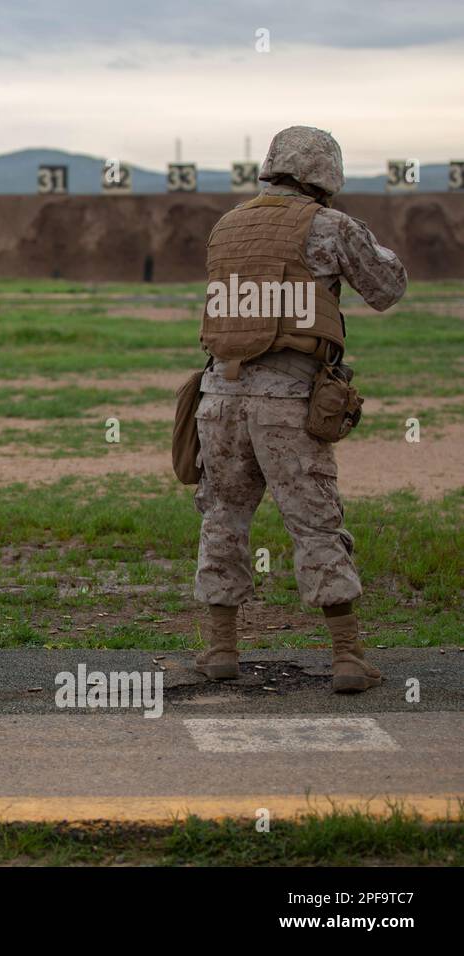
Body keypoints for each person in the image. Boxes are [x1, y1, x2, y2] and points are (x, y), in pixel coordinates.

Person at [192, 125, 407, 694]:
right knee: (314, 522)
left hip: (219, 397)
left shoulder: (226, 225)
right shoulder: (330, 226)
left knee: (222, 519)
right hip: (286, 400)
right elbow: (387, 288)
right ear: (325, 175)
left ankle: (220, 649)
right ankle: (346, 656)